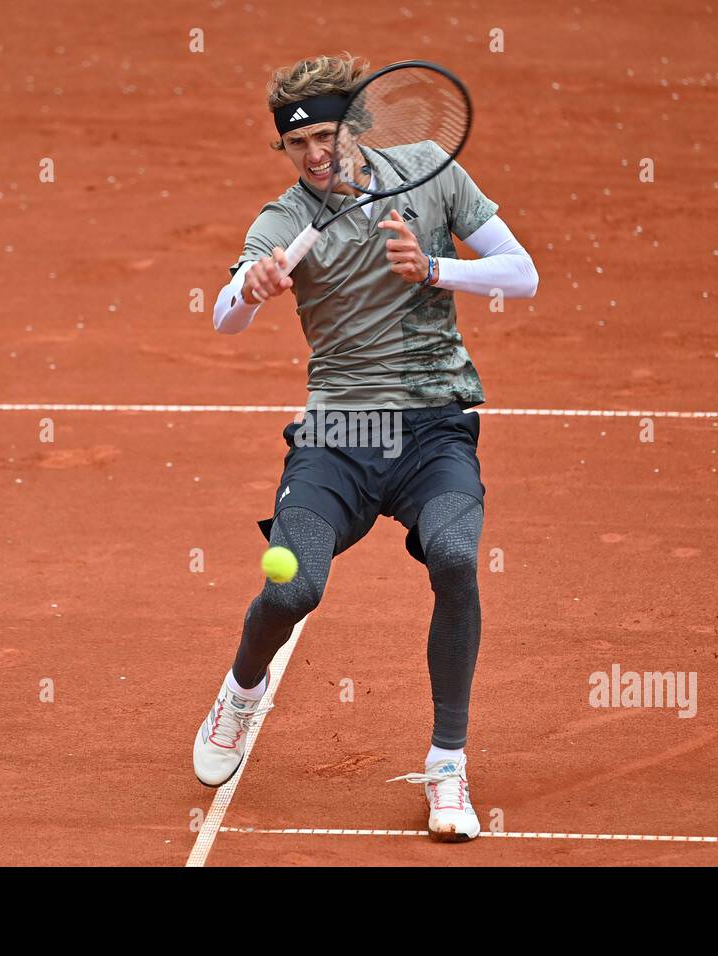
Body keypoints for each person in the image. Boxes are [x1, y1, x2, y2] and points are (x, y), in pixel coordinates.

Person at [193, 52, 538, 842]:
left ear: (355, 126)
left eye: (324, 135)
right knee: (291, 590)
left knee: (454, 555)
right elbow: (224, 317)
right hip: (342, 433)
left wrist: (438, 269)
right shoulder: (284, 222)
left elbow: (522, 274)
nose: (314, 154)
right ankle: (242, 694)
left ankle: (447, 765)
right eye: (296, 144)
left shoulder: (430, 172)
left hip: (434, 425)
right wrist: (247, 289)